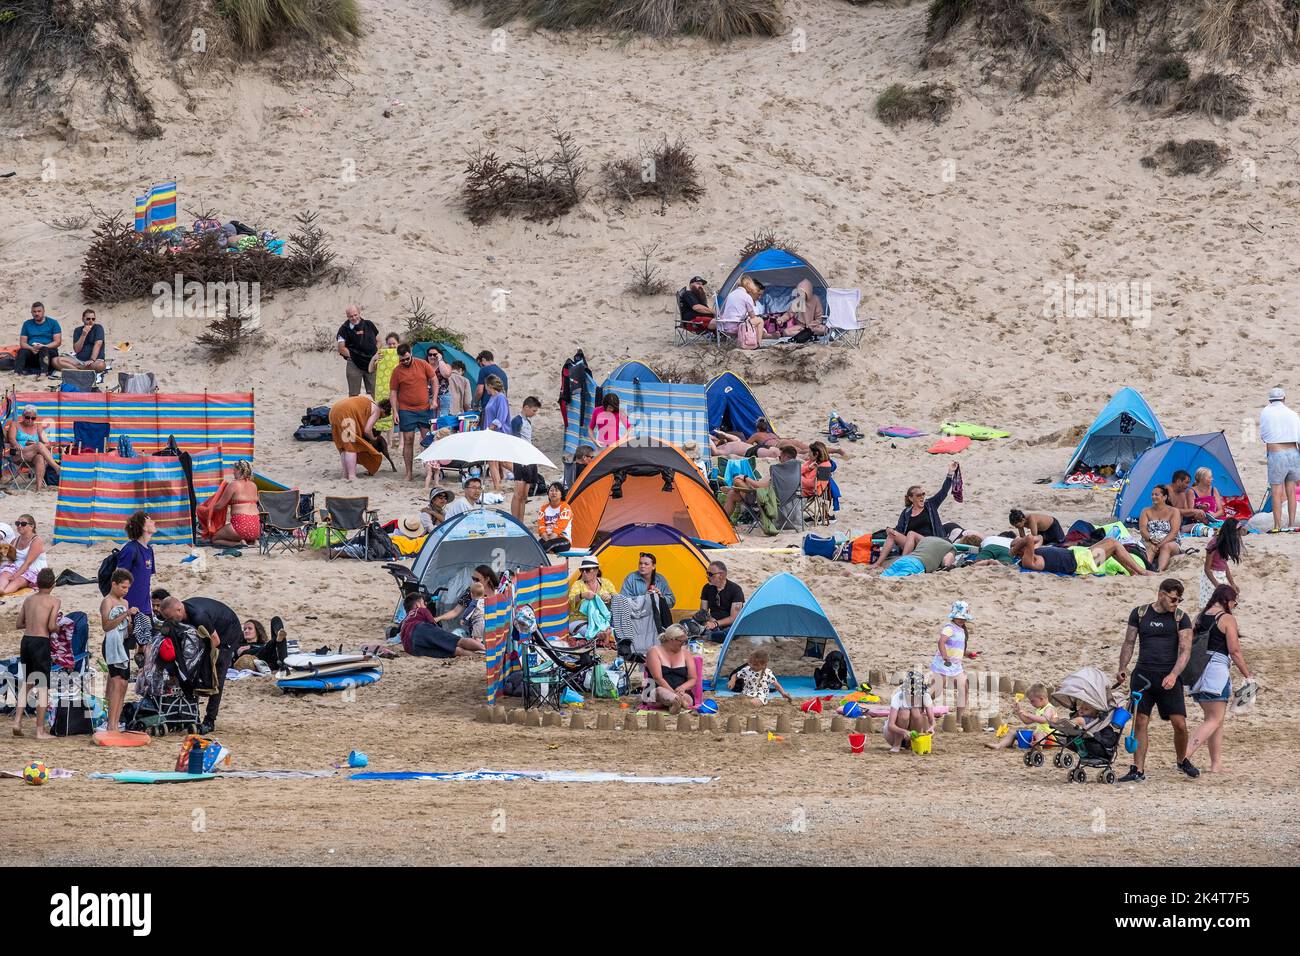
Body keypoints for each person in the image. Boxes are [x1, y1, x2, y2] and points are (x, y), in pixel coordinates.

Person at [1116, 578, 1197, 782]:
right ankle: (1138, 769)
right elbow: (1129, 642)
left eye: (1179, 600)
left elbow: (1186, 651)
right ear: (1161, 594)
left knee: (1179, 724)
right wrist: (1123, 667)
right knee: (1141, 721)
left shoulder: (1181, 618)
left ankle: (1181, 760)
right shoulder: (1140, 613)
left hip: (1168, 676)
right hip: (1143, 676)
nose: (1176, 603)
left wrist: (1174, 675)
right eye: (1173, 599)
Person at [1185, 585, 1254, 774]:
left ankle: (1216, 764)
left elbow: (1187, 641)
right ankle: (1184, 756)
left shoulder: (1200, 617)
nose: (1235, 605)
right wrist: (1248, 675)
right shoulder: (1226, 618)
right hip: (1215, 671)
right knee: (1214, 719)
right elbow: (1235, 651)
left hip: (1197, 671)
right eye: (1234, 602)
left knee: (1215, 719)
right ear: (1227, 600)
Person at [158, 593, 242, 734]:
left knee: (217, 673)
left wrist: (198, 658)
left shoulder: (198, 616)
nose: (171, 622)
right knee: (192, 669)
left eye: (171, 618)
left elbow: (215, 640)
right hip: (212, 631)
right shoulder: (180, 613)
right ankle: (191, 714)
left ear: (179, 610)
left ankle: (210, 720)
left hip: (227, 633)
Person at [869, 462, 958, 569]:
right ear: (911, 498)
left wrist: (950, 473)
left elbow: (943, 492)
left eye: (923, 494)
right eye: (919, 495)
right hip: (912, 545)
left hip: (929, 542)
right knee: (892, 534)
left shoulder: (930, 505)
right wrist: (889, 530)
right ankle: (877, 563)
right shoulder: (906, 513)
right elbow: (899, 530)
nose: (922, 497)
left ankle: (902, 561)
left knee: (911, 533)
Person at [11, 567, 59, 738]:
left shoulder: (29, 600)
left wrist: (33, 622)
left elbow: (18, 624)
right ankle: (39, 730)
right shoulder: (54, 600)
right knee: (43, 686)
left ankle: (17, 721)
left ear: (37, 583)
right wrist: (59, 627)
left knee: (28, 683)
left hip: (26, 641)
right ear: (53, 584)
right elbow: (52, 626)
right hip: (40, 642)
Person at [389, 343, 439, 482]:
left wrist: (434, 399)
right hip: (406, 409)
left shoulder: (422, 364)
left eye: (406, 358)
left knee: (427, 440)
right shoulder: (397, 371)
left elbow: (434, 380)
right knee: (408, 440)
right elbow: (393, 392)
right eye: (402, 360)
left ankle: (431, 472)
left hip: (424, 408)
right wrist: (395, 411)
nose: (404, 361)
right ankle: (409, 473)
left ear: (411, 353)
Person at [1011, 533, 1150, 576]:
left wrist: (1018, 544)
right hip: (1083, 564)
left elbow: (1039, 537)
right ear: (1021, 549)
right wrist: (1014, 549)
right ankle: (1142, 572)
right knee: (1113, 544)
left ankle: (1133, 572)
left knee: (1108, 541)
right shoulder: (1028, 560)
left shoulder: (1034, 551)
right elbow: (1029, 538)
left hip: (1082, 555)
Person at [1259, 386, 1300, 532]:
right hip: (1294, 453)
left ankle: (1277, 526)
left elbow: (1264, 437)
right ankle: (1291, 525)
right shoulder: (1293, 414)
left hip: (1277, 453)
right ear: (1284, 399)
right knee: (1291, 491)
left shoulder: (1266, 412)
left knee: (1276, 490)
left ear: (1270, 399)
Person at [100, 568, 134, 733]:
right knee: (115, 682)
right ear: (114, 584)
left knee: (124, 684)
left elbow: (124, 629)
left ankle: (116, 721)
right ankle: (110, 724)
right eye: (123, 587)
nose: (125, 591)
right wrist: (125, 614)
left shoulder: (125, 602)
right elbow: (106, 626)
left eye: (127, 588)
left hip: (123, 644)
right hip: (111, 645)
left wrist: (130, 624)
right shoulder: (108, 601)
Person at [400, 591, 485, 657]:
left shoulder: (405, 620)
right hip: (420, 629)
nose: (425, 606)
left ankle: (476, 656)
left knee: (453, 651)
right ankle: (486, 650)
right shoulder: (420, 610)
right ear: (417, 605)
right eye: (423, 603)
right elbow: (432, 623)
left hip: (411, 647)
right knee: (458, 641)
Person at [931, 601, 975, 724]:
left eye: (964, 618)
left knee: (964, 688)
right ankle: (920, 707)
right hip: (942, 664)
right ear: (953, 616)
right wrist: (944, 655)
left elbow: (958, 648)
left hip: (956, 666)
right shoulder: (949, 628)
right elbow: (941, 642)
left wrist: (968, 654)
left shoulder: (962, 630)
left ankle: (958, 720)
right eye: (959, 617)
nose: (961, 620)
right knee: (937, 689)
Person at [117, 510, 156, 647]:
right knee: (127, 644)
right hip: (129, 606)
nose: (153, 522)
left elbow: (145, 580)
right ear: (144, 527)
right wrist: (122, 606)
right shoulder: (130, 549)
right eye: (150, 520)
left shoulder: (149, 550)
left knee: (147, 644)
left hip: (145, 607)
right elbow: (118, 578)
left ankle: (144, 669)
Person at [328, 394, 389, 480]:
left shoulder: (369, 403)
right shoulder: (377, 410)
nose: (378, 419)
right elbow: (367, 430)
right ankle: (352, 475)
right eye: (381, 417)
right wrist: (373, 438)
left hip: (334, 411)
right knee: (351, 447)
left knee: (344, 447)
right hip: (345, 413)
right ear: (383, 410)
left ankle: (345, 474)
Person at [641, 624, 697, 714]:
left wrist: (683, 687)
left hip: (681, 693)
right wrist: (673, 693)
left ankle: (675, 702)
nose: (684, 643)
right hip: (655, 691)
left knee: (687, 697)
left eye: (685, 641)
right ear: (671, 639)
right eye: (681, 641)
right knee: (661, 691)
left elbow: (693, 678)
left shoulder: (686, 654)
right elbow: (657, 678)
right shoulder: (654, 651)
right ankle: (676, 701)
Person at [6, 404, 60, 490]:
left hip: (33, 456)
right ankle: (56, 467)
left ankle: (38, 488)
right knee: (39, 445)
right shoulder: (15, 425)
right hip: (19, 454)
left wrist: (34, 445)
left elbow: (47, 444)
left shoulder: (38, 427)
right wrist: (17, 445)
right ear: (23, 416)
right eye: (27, 417)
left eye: (33, 418)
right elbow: (12, 439)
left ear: (36, 418)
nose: (30, 420)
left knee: (39, 457)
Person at [985, 683, 1055, 750]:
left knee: (1039, 733)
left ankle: (1039, 746)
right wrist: (1018, 711)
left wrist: (1028, 714)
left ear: (1041, 699)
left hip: (1050, 738)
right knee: (1013, 733)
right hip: (1038, 737)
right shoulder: (1039, 710)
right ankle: (999, 745)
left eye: (1032, 701)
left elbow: (1044, 720)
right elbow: (1027, 721)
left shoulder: (1049, 708)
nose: (1031, 703)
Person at [209, 460, 261, 546]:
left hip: (241, 525)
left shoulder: (234, 485)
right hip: (256, 528)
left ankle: (237, 543)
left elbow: (219, 506)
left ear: (239, 471)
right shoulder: (253, 485)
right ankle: (253, 541)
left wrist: (207, 509)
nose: (233, 472)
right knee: (247, 533)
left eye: (234, 470)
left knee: (215, 538)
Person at [884, 670, 936, 754]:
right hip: (893, 735)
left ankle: (913, 744)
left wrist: (932, 728)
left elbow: (932, 720)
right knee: (905, 713)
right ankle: (897, 745)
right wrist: (904, 731)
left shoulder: (925, 696)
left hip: (913, 734)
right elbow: (891, 725)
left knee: (916, 712)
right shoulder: (898, 697)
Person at [510, 396, 543, 521]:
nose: (534, 413)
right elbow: (516, 440)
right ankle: (515, 520)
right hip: (520, 459)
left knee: (524, 495)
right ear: (526, 407)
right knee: (518, 494)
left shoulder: (528, 421)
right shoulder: (517, 421)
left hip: (530, 458)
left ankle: (521, 521)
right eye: (533, 411)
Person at [568, 556, 616, 639]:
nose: (584, 573)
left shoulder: (606, 583)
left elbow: (618, 599)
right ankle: (599, 635)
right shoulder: (578, 584)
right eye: (582, 570)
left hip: (601, 621)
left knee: (614, 631)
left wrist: (610, 597)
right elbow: (570, 600)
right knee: (584, 629)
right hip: (580, 620)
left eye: (587, 570)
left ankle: (601, 634)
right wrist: (582, 595)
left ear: (596, 571)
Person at [336, 305, 379, 397]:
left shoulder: (369, 324)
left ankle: (378, 411)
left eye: (355, 315)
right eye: (351, 316)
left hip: (371, 361)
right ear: (347, 316)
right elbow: (341, 348)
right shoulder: (343, 329)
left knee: (375, 391)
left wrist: (375, 355)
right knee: (354, 394)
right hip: (354, 364)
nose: (354, 318)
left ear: (359, 313)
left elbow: (379, 340)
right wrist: (355, 357)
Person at [0, 514, 48, 594]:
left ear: (31, 526)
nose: (19, 526)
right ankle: (1, 588)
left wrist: (16, 575)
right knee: (5, 574)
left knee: (18, 580)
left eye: (23, 524)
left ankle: (4, 592)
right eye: (17, 523)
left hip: (33, 568)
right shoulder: (15, 540)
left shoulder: (36, 541)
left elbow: (28, 562)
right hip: (18, 565)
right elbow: (12, 559)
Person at [1200, 516, 1241, 608]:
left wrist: (1232, 583)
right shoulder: (1214, 544)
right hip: (1211, 577)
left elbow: (1224, 564)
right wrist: (1216, 585)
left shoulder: (1225, 543)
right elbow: (1207, 568)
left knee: (1224, 605)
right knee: (1209, 606)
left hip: (1221, 575)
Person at [1138, 484, 1182, 572]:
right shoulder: (1146, 511)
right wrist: (1151, 539)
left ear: (1165, 497)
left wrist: (1160, 544)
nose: (1153, 497)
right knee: (1150, 546)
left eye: (1156, 495)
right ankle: (1143, 570)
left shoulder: (1174, 511)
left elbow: (1174, 532)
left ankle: (1160, 570)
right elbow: (1143, 529)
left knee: (1166, 546)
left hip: (1169, 541)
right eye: (1152, 494)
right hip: (1150, 540)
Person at [699, 561, 744, 643]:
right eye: (707, 573)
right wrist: (709, 619)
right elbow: (703, 611)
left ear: (721, 575)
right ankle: (711, 634)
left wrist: (716, 623)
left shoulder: (736, 589)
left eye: (710, 574)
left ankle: (711, 635)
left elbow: (734, 618)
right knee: (686, 623)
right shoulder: (706, 588)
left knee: (728, 633)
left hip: (728, 624)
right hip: (712, 622)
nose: (707, 576)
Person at [712, 275, 764, 346]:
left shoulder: (731, 294)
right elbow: (752, 316)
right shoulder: (746, 296)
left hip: (724, 327)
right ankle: (758, 344)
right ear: (748, 285)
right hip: (736, 327)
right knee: (760, 320)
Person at [727, 649, 793, 704]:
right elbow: (735, 675)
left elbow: (776, 685)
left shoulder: (767, 673)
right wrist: (732, 681)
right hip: (746, 693)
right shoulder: (747, 669)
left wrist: (783, 693)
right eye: (750, 662)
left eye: (755, 664)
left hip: (760, 696)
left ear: (764, 665)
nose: (752, 665)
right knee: (735, 701)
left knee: (753, 703)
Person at [54, 308, 106, 373]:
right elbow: (77, 350)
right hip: (79, 360)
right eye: (88, 319)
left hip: (95, 360)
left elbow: (98, 344)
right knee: (55, 360)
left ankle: (74, 369)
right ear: (83, 319)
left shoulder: (98, 328)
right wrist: (83, 335)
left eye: (93, 319)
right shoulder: (77, 330)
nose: (91, 321)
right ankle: (79, 370)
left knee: (100, 365)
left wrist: (92, 359)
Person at [18, 301, 62, 377]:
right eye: (34, 311)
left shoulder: (53, 323)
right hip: (33, 351)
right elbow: (22, 343)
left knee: (44, 349)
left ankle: (43, 373)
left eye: (39, 311)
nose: (36, 313)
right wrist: (31, 348)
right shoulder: (27, 324)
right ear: (31, 312)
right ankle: (18, 373)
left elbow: (57, 342)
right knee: (22, 351)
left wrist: (44, 346)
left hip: (49, 352)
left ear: (43, 311)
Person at [536, 482, 572, 553]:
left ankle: (549, 550)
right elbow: (541, 526)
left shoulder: (565, 508)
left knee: (545, 547)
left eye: (556, 491)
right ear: (548, 494)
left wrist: (548, 541)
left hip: (562, 539)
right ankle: (550, 551)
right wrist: (547, 539)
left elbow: (559, 528)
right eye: (551, 490)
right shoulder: (543, 508)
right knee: (536, 546)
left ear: (561, 494)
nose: (553, 493)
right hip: (547, 538)